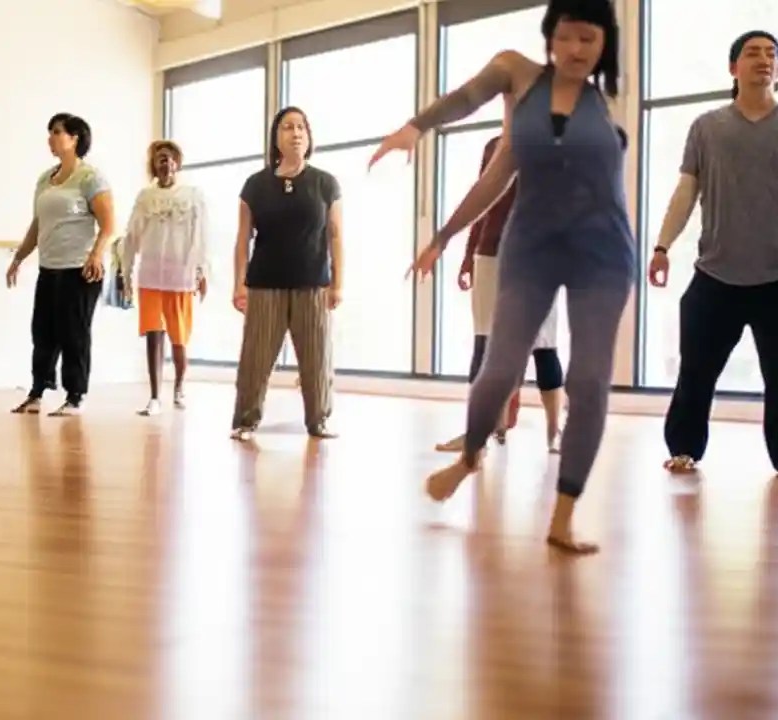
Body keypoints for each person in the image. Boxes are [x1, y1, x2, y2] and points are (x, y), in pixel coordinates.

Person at [370, 0, 633, 555]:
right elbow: (475, 119)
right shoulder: (516, 72)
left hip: (601, 252)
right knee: (499, 367)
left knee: (589, 383)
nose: (578, 49)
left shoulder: (601, 107)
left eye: (590, 39)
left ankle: (562, 518)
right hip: (532, 246)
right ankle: (469, 456)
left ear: (602, 45)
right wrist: (418, 134)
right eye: (568, 36)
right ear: (550, 37)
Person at [648, 30, 778, 482]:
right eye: (753, 53)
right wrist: (662, 246)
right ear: (734, 68)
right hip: (715, 278)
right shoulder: (706, 128)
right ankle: (683, 449)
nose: (763, 60)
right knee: (696, 372)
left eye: (772, 54)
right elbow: (685, 192)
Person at [436, 136, 565, 454]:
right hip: (489, 255)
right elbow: (483, 201)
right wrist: (469, 253)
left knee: (543, 346)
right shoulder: (493, 146)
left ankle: (555, 433)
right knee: (485, 346)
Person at [230, 106, 343, 441]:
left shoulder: (325, 183)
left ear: (309, 137)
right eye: (287, 127)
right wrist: (239, 284)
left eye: (301, 128)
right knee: (256, 356)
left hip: (313, 284)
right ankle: (245, 420)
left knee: (316, 357)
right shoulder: (255, 185)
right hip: (265, 284)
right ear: (275, 137)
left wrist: (338, 283)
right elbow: (242, 239)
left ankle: (318, 420)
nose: (295, 133)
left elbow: (336, 235)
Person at [6, 113, 114, 417]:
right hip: (49, 269)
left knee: (74, 335)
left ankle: (75, 396)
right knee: (43, 333)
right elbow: (38, 224)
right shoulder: (45, 179)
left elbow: (108, 224)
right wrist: (19, 257)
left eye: (57, 132)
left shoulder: (91, 177)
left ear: (74, 138)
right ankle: (37, 392)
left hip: (79, 271)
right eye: (50, 132)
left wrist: (95, 255)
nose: (51, 138)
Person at [122, 140, 208, 416]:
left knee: (179, 339)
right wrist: (125, 273)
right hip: (150, 276)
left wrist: (200, 270)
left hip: (179, 276)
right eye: (160, 158)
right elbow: (131, 235)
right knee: (153, 335)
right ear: (153, 165)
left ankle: (180, 386)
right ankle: (155, 396)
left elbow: (201, 235)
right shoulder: (144, 198)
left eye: (170, 158)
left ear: (177, 163)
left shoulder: (192, 195)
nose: (165, 162)